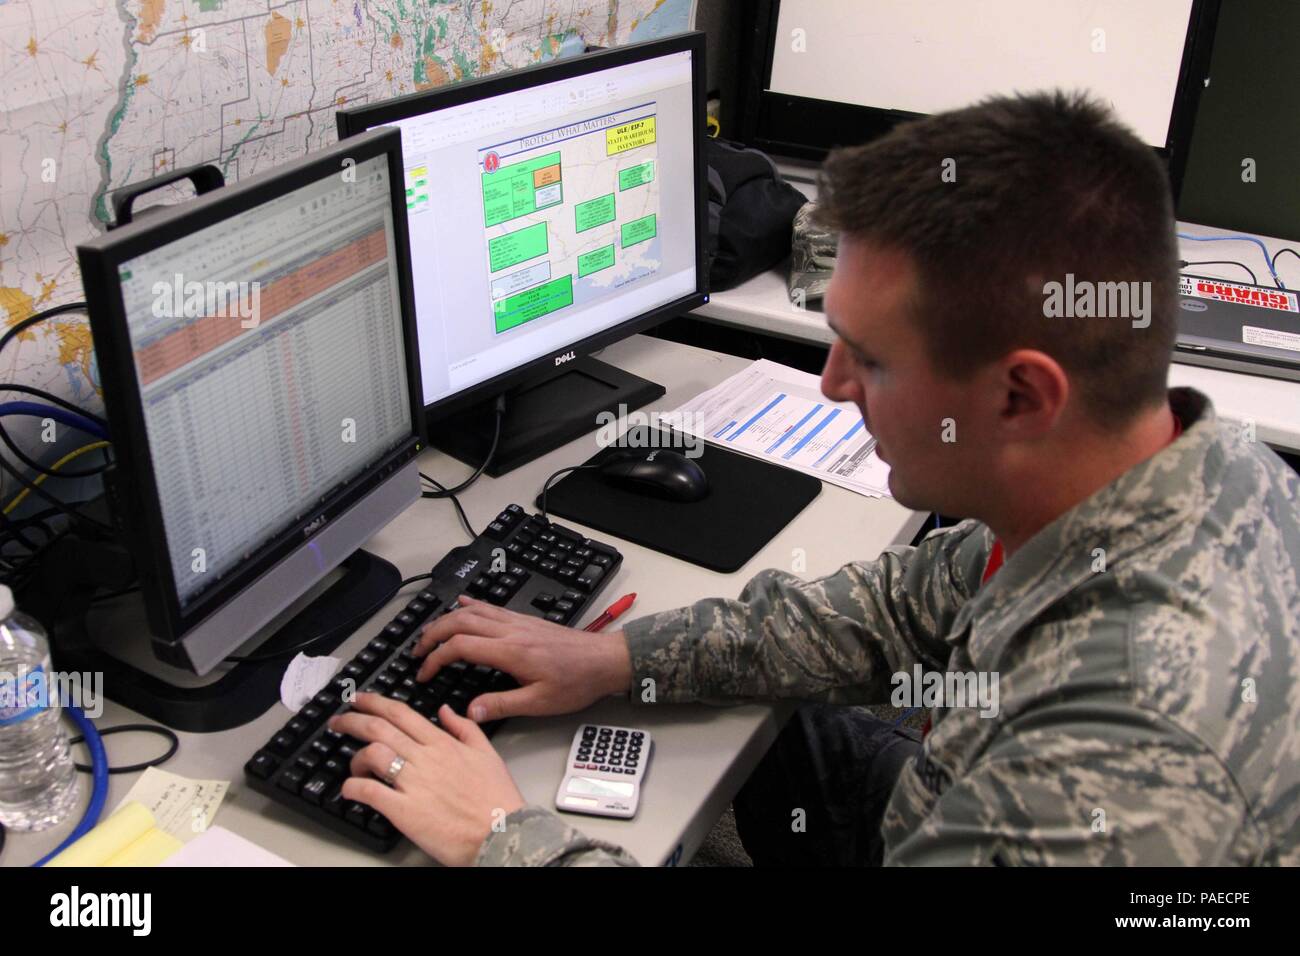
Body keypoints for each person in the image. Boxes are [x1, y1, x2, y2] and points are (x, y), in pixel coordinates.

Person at [328, 91, 1300, 867]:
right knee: (741, 727)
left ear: (1019, 396)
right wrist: (613, 658)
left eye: (867, 357)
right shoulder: (1195, 463)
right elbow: (899, 600)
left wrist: (504, 839)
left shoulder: (1103, 780)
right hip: (961, 780)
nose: (833, 384)